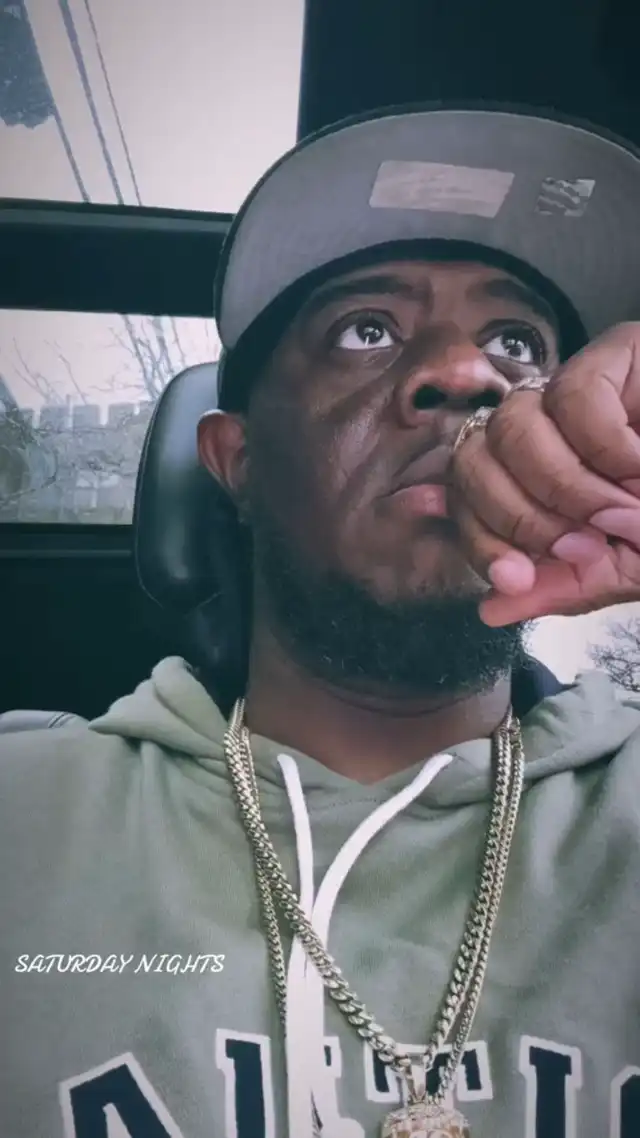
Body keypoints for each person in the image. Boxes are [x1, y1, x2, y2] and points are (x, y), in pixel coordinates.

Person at [2, 104, 640, 1138]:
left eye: (515, 343)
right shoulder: (26, 819)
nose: (469, 375)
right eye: (367, 329)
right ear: (237, 460)